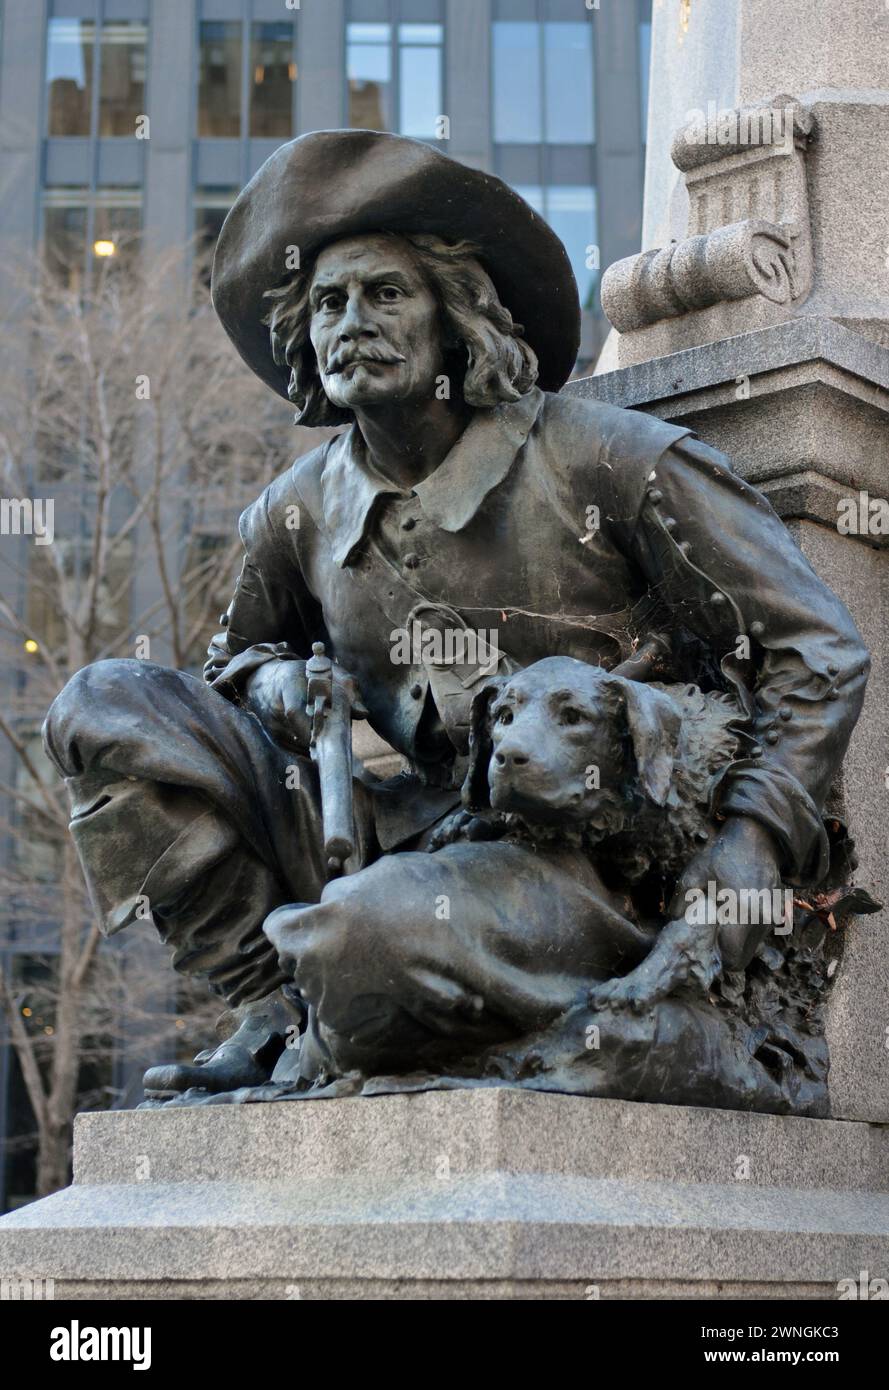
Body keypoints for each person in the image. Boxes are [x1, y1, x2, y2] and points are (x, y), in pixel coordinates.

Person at [44, 132, 869, 1098]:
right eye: (327, 304)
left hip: (573, 866)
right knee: (104, 705)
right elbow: (232, 664)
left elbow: (813, 646)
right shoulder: (295, 510)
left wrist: (752, 838)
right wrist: (275, 684)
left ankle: (349, 975)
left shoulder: (611, 459)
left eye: (385, 294)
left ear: (456, 318)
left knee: (364, 938)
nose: (351, 322)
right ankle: (272, 1008)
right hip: (388, 834)